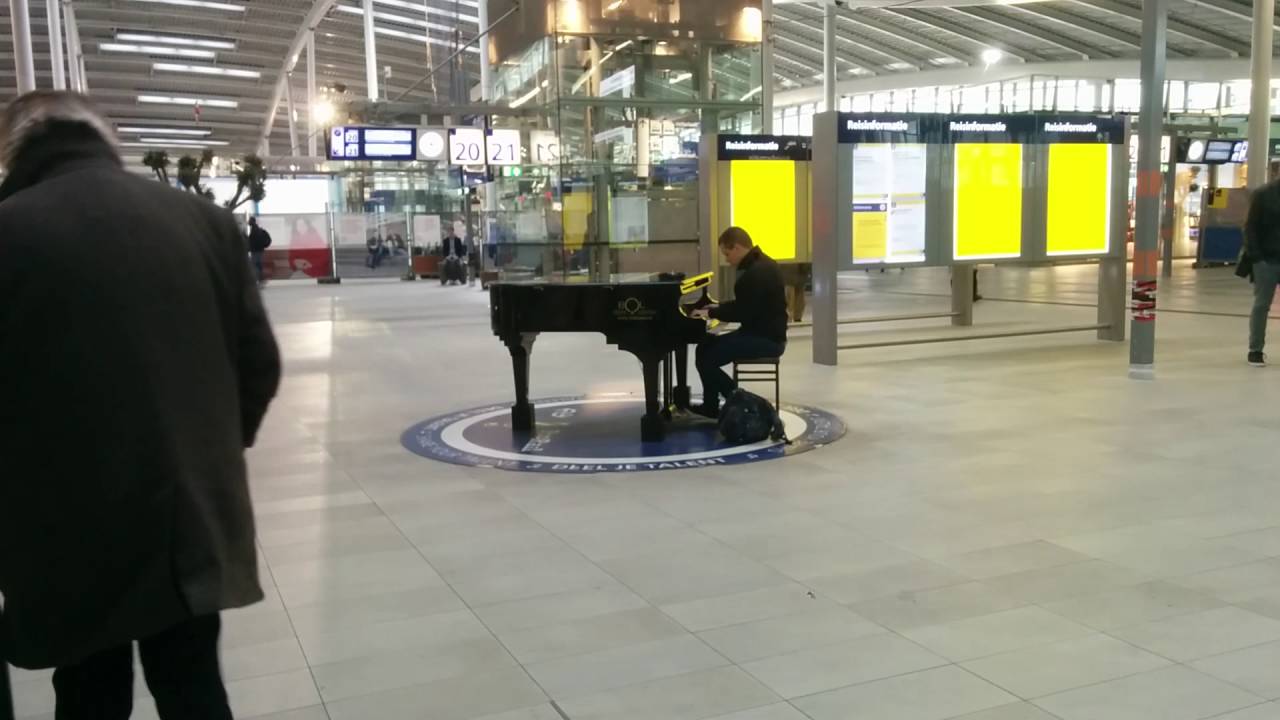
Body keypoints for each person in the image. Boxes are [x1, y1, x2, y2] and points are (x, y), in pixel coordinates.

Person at [0, 91, 281, 720]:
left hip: (63, 528)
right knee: (192, 685)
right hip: (185, 516)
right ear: (107, 138)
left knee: (88, 694)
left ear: (13, 149)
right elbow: (260, 363)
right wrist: (207, 451)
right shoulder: (202, 222)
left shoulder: (10, 230)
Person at [690, 227, 788, 418]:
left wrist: (710, 312)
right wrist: (717, 307)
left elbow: (742, 312)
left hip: (765, 340)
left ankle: (744, 403)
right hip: (764, 333)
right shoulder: (761, 264)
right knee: (704, 348)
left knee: (707, 358)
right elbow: (746, 305)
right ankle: (712, 404)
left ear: (736, 247)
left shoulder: (755, 273)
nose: (727, 259)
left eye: (727, 254)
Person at [1245, 177, 1280, 366]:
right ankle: (1255, 349)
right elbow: (1251, 227)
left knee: (1261, 305)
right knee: (1261, 305)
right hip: (1267, 259)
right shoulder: (1264, 194)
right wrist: (1257, 257)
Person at [246, 216, 272, 287]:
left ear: (252, 221)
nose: (248, 222)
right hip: (259, 250)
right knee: (258, 265)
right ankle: (261, 280)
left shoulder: (254, 229)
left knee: (254, 265)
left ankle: (260, 279)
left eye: (249, 221)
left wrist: (249, 247)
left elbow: (253, 241)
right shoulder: (256, 229)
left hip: (256, 251)